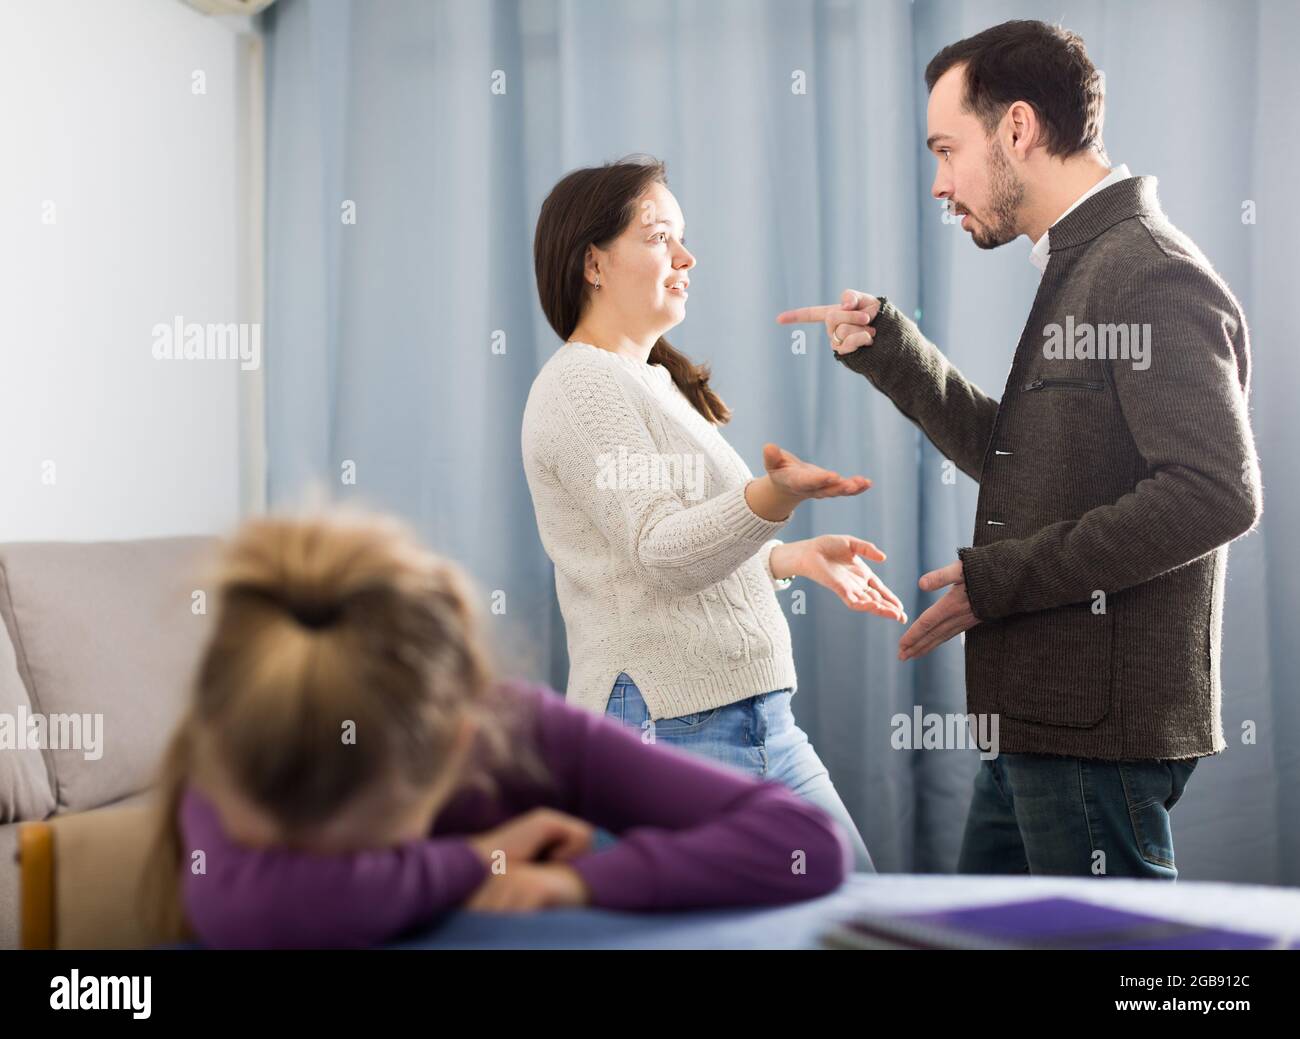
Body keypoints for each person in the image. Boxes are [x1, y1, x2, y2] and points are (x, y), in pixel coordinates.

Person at [779, 20, 1261, 880]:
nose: (938, 184)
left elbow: (1215, 492)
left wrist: (999, 580)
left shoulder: (1144, 268)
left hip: (1091, 739)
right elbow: (1031, 462)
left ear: (1017, 129)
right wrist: (891, 347)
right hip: (1039, 729)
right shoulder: (1082, 263)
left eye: (945, 149)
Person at [143, 510, 851, 948]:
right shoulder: (243, 734)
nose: (305, 869)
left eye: (332, 854)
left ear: (455, 748)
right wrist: (481, 859)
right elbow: (257, 907)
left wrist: (579, 885)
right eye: (279, 844)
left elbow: (803, 842)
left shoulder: (517, 733)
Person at [524, 156, 906, 872]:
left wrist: (785, 557)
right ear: (594, 264)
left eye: (683, 236)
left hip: (756, 719)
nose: (686, 256)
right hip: (668, 728)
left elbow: (686, 543)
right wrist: (776, 498)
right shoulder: (580, 383)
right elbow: (658, 551)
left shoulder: (653, 382)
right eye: (659, 236)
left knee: (854, 913)